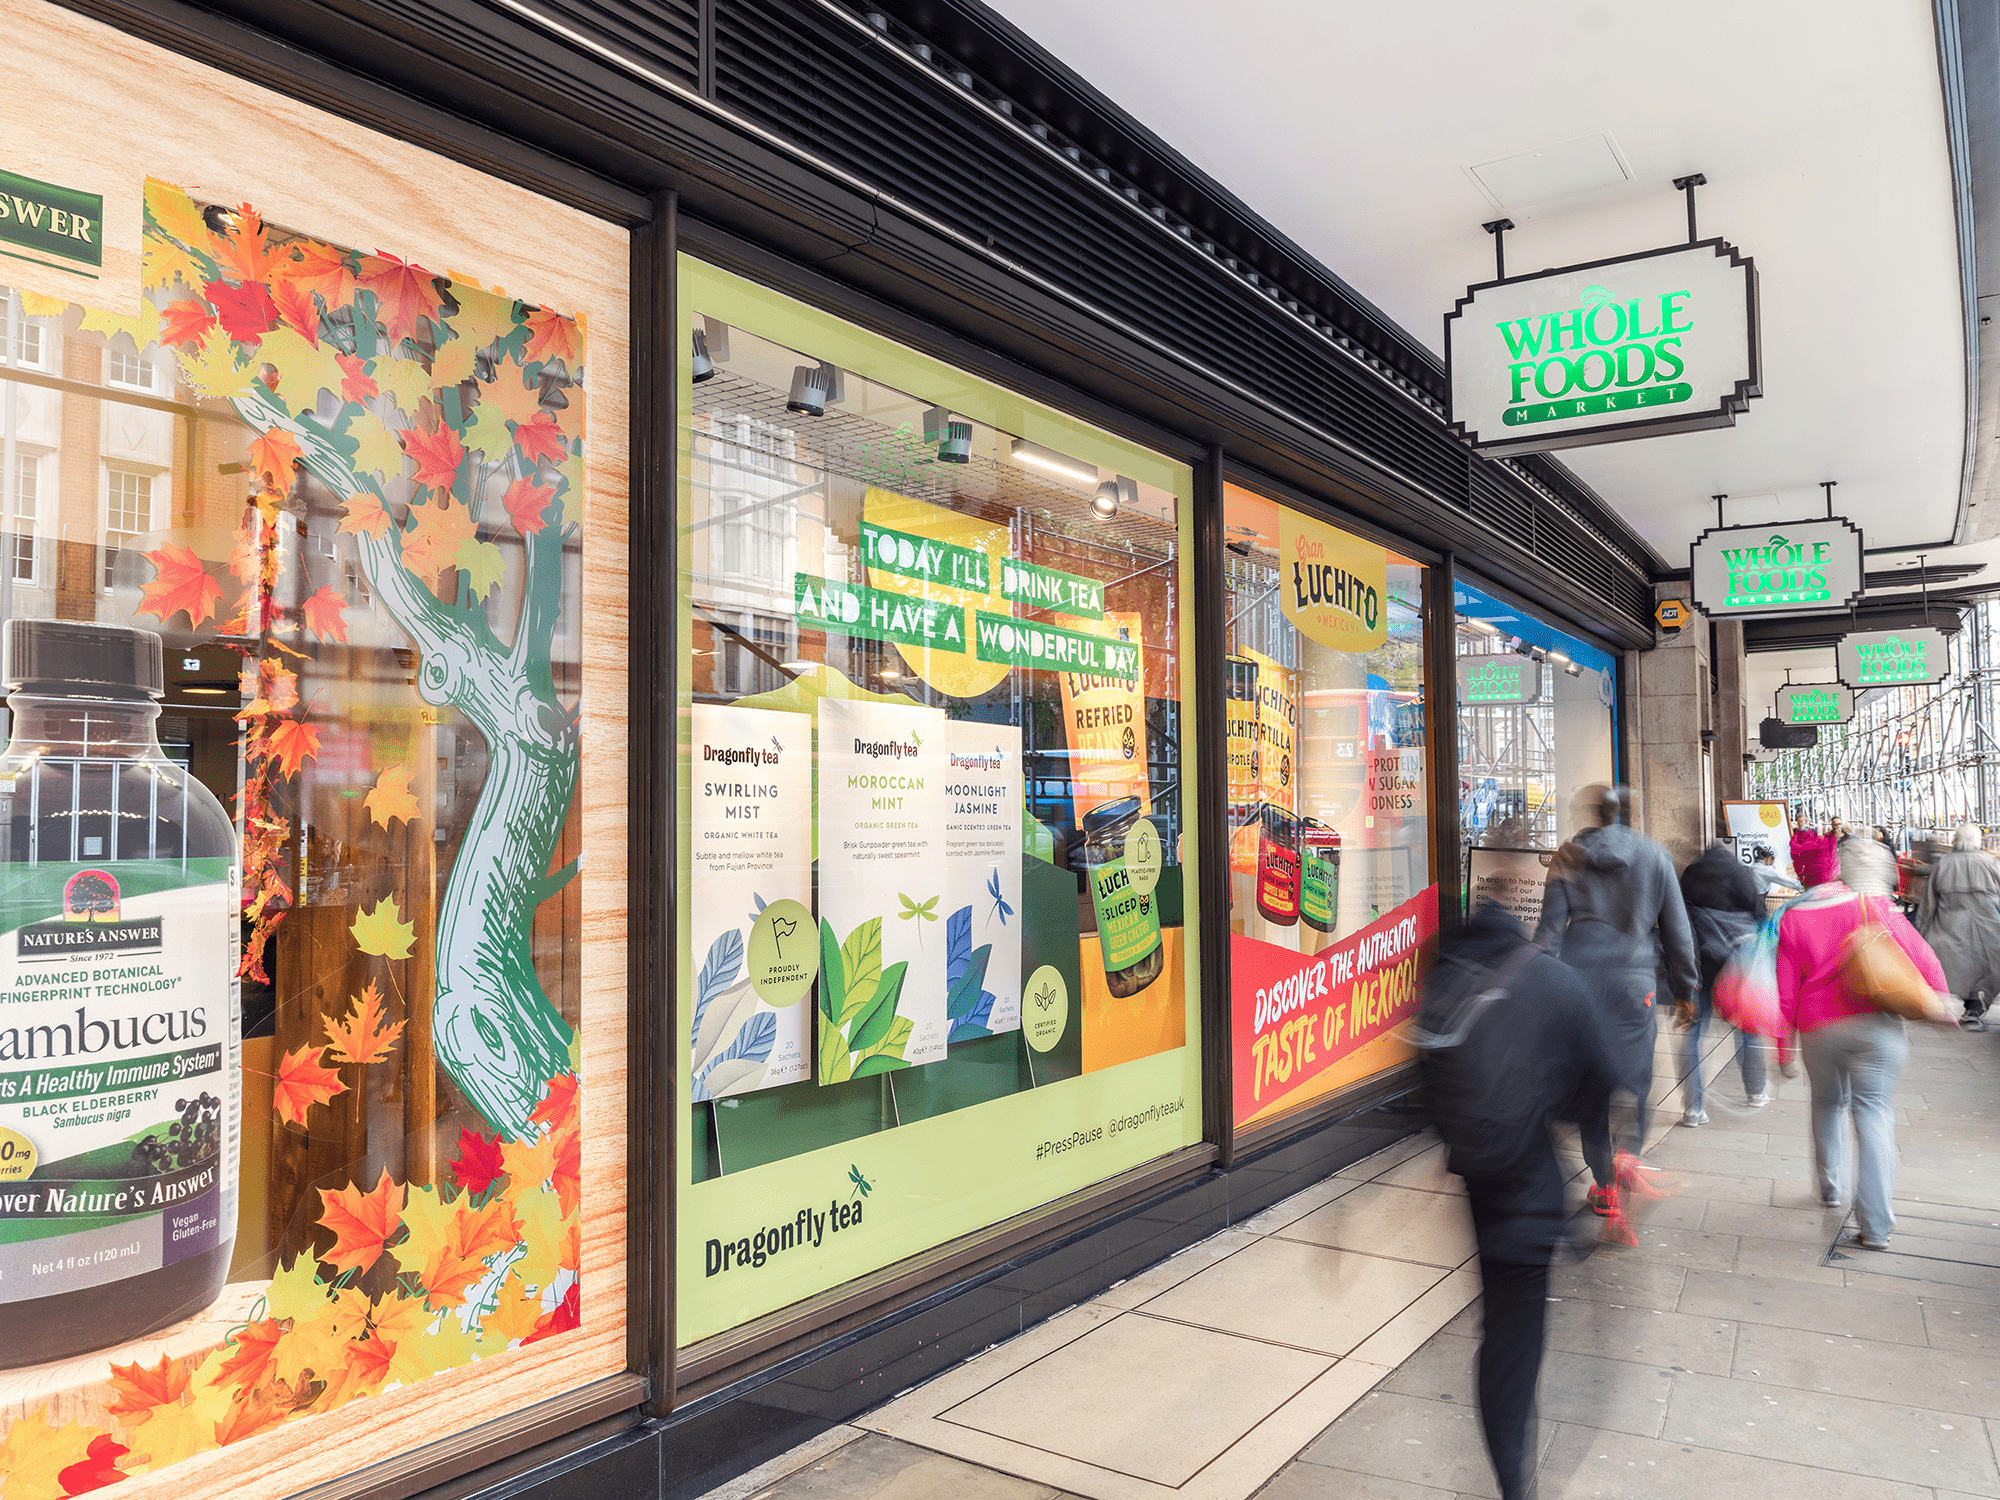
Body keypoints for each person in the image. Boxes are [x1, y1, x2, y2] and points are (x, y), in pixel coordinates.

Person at [1415, 903, 1621, 1500]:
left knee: (1501, 1322)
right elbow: (1602, 1078)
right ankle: (1516, 1485)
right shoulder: (1552, 978)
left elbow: (1425, 1081)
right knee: (1519, 1330)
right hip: (1530, 1178)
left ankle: (1510, 1473)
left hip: (1479, 1182)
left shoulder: (1446, 975)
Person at [1534, 785, 1699, 1245]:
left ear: (1594, 813)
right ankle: (1629, 1156)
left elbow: (1547, 935)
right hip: (1634, 985)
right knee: (1636, 1079)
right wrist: (1686, 990)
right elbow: (1678, 930)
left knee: (1589, 1084)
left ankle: (1605, 1182)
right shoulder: (1654, 855)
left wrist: (1533, 988)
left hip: (1578, 981)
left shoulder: (1568, 855)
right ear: (1631, 813)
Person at [1778, 828, 1945, 1247]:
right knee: (1873, 1114)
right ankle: (1876, 1227)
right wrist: (1940, 1005)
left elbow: (1784, 990)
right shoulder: (1874, 907)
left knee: (1827, 1103)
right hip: (1877, 1028)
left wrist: (1783, 1049)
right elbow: (1923, 957)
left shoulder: (1794, 917)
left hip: (1818, 1029)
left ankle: (1829, 1187)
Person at [1676, 841, 1771, 1125]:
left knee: (1692, 1035)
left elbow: (1678, 919)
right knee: (1746, 1028)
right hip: (1734, 964)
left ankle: (1694, 1108)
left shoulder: (1691, 873)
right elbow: (1759, 912)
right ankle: (1755, 1090)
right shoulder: (1740, 873)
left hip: (1700, 964)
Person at [1915, 822, 2000, 1028]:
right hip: (1989, 925)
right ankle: (1975, 1009)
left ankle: (1966, 1007)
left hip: (1950, 925)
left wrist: (1922, 927)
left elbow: (1929, 900)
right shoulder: (1990, 862)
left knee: (1959, 968)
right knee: (1988, 968)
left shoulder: (1945, 863)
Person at [1839, 821, 1898, 897]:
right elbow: (1892, 878)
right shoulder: (1884, 852)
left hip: (1855, 898)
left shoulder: (1847, 849)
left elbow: (1842, 876)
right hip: (1879, 897)